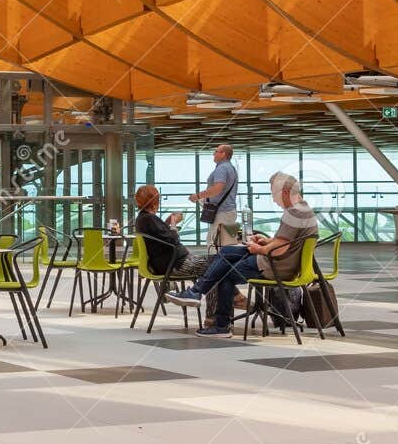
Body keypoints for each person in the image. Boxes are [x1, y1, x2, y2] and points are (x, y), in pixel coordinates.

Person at [166, 172, 318, 339]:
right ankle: (196, 293)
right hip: (282, 264)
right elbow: (285, 243)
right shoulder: (304, 209)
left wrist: (258, 249)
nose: (273, 200)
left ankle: (220, 325)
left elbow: (280, 250)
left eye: (273, 194)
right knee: (226, 252)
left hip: (274, 266)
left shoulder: (294, 213)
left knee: (224, 273)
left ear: (285, 192)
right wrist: (266, 241)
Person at [132, 185, 208, 284]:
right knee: (218, 265)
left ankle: (225, 297)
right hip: (176, 265)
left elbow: (159, 236)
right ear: (155, 202)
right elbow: (174, 239)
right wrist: (174, 222)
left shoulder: (143, 218)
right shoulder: (149, 219)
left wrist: (166, 223)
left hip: (171, 263)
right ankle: (219, 297)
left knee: (218, 264)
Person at [189, 143, 241, 247]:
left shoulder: (221, 168)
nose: (214, 154)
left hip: (221, 212)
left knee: (214, 243)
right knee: (223, 242)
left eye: (216, 151)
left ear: (223, 154)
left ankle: (215, 263)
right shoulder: (231, 168)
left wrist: (198, 196)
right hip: (228, 211)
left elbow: (218, 188)